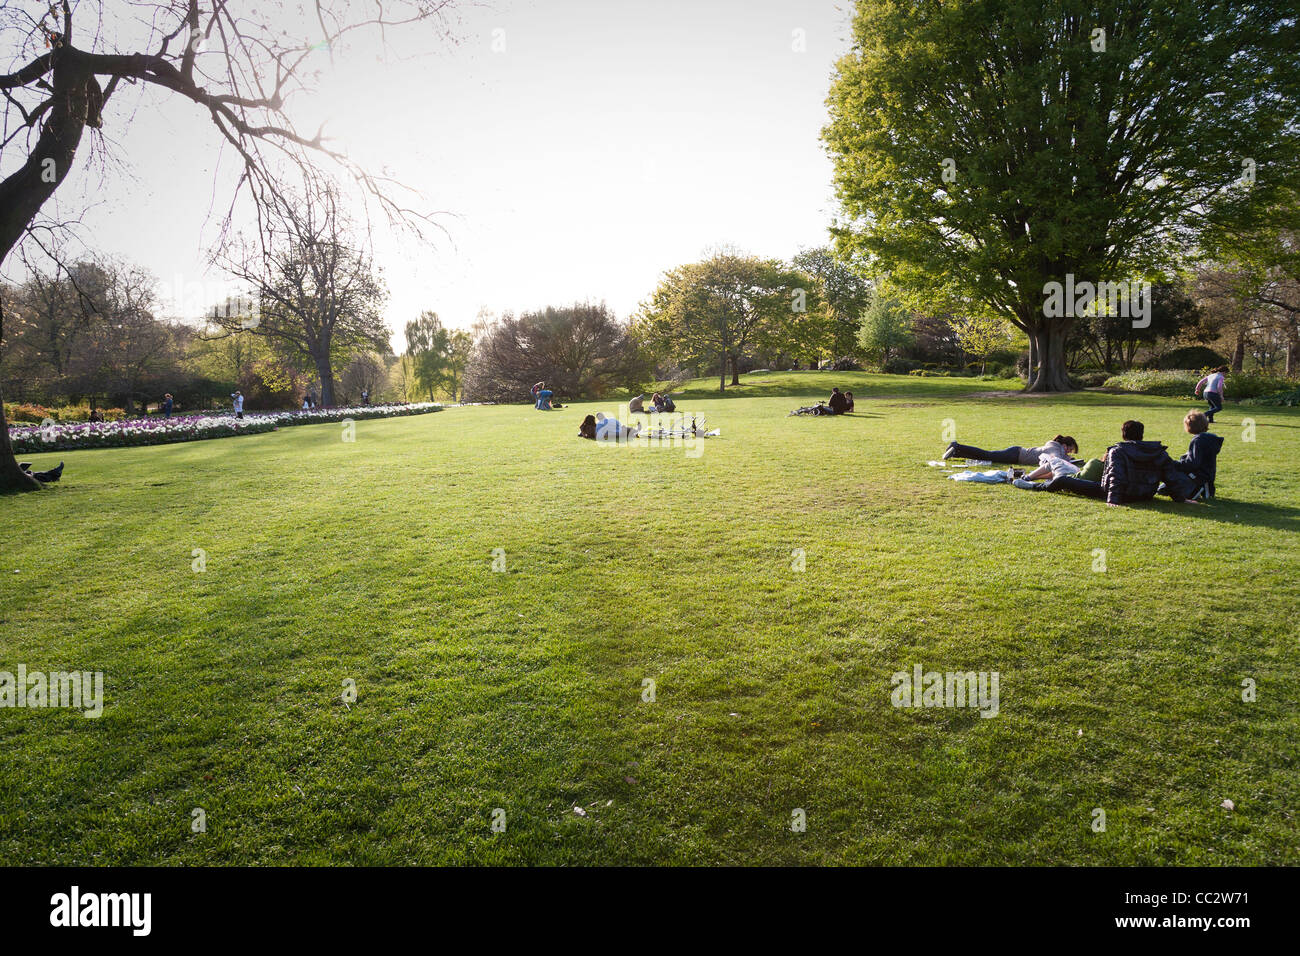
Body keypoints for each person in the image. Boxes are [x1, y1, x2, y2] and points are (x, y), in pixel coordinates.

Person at [1100, 420, 1194, 506]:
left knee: (1085, 484)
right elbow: (1171, 478)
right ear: (1141, 434)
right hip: (1146, 494)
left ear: (1124, 434)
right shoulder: (1158, 452)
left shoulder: (1117, 451)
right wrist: (1181, 498)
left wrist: (1113, 500)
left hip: (1124, 494)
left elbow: (1116, 476)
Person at [1174, 410, 1223, 499]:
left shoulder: (1198, 441)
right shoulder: (1210, 438)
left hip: (1201, 475)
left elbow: (1193, 463)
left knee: (1176, 470)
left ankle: (1195, 490)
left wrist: (1179, 463)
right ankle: (1205, 491)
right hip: (1208, 472)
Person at [942, 434, 1078, 465]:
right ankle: (957, 445)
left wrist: (1071, 459)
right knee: (987, 455)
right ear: (1064, 444)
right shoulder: (1054, 446)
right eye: (1069, 449)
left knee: (985, 457)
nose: (1068, 452)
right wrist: (1068, 460)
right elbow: (1056, 458)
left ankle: (956, 453)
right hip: (1015, 454)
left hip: (1016, 455)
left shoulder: (1058, 450)